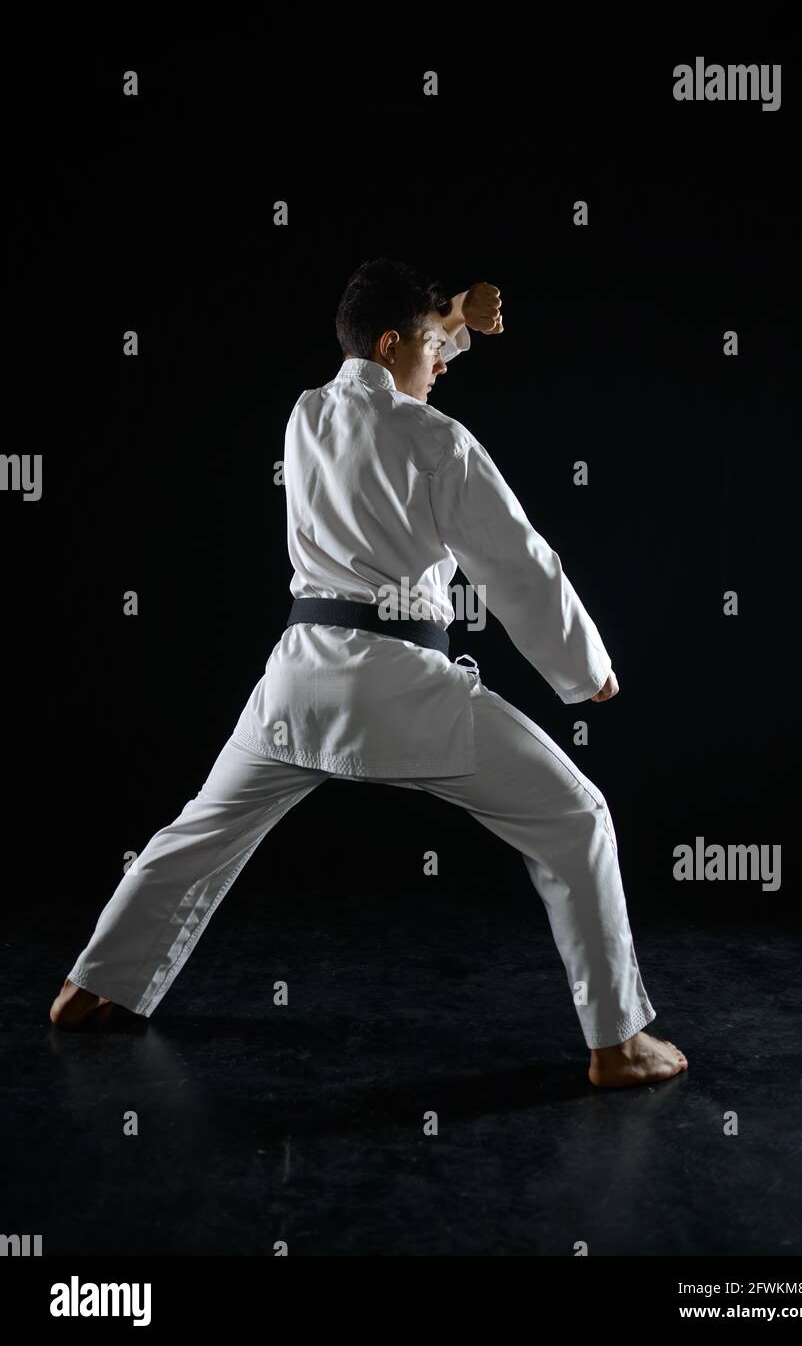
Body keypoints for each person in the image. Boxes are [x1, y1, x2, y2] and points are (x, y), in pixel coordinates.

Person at [50, 258, 687, 1089]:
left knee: (195, 836)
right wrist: (586, 667)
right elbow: (516, 563)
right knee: (577, 819)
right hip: (401, 690)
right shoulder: (437, 439)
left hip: (294, 682)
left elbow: (374, 381)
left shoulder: (305, 416)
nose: (446, 365)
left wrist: (451, 318)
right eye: (434, 349)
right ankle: (618, 1044)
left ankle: (90, 987)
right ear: (394, 345)